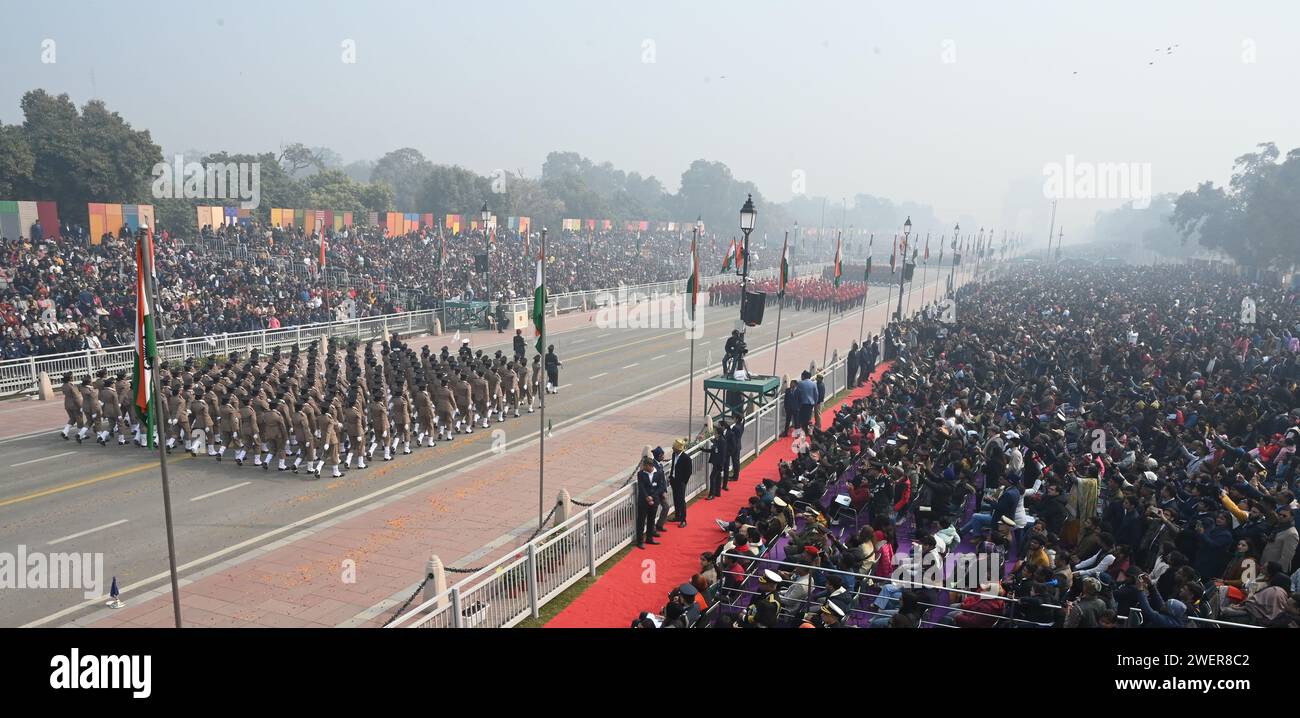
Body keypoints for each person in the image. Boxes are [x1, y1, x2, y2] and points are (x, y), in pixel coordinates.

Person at [635, 456, 659, 549]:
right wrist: (647, 497)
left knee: (651, 520)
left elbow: (659, 487)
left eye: (645, 466)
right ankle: (640, 541)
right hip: (643, 501)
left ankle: (649, 538)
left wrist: (652, 497)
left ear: (649, 466)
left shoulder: (658, 473)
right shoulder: (640, 474)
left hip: (654, 501)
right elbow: (641, 487)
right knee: (641, 521)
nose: (643, 467)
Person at [668, 438, 692, 527]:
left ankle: (683, 520)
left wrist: (683, 482)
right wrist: (671, 477)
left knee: (681, 500)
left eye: (674, 447)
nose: (672, 448)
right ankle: (677, 516)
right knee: (676, 498)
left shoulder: (686, 458)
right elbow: (673, 467)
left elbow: (689, 472)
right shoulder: (674, 454)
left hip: (681, 482)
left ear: (678, 449)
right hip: (674, 480)